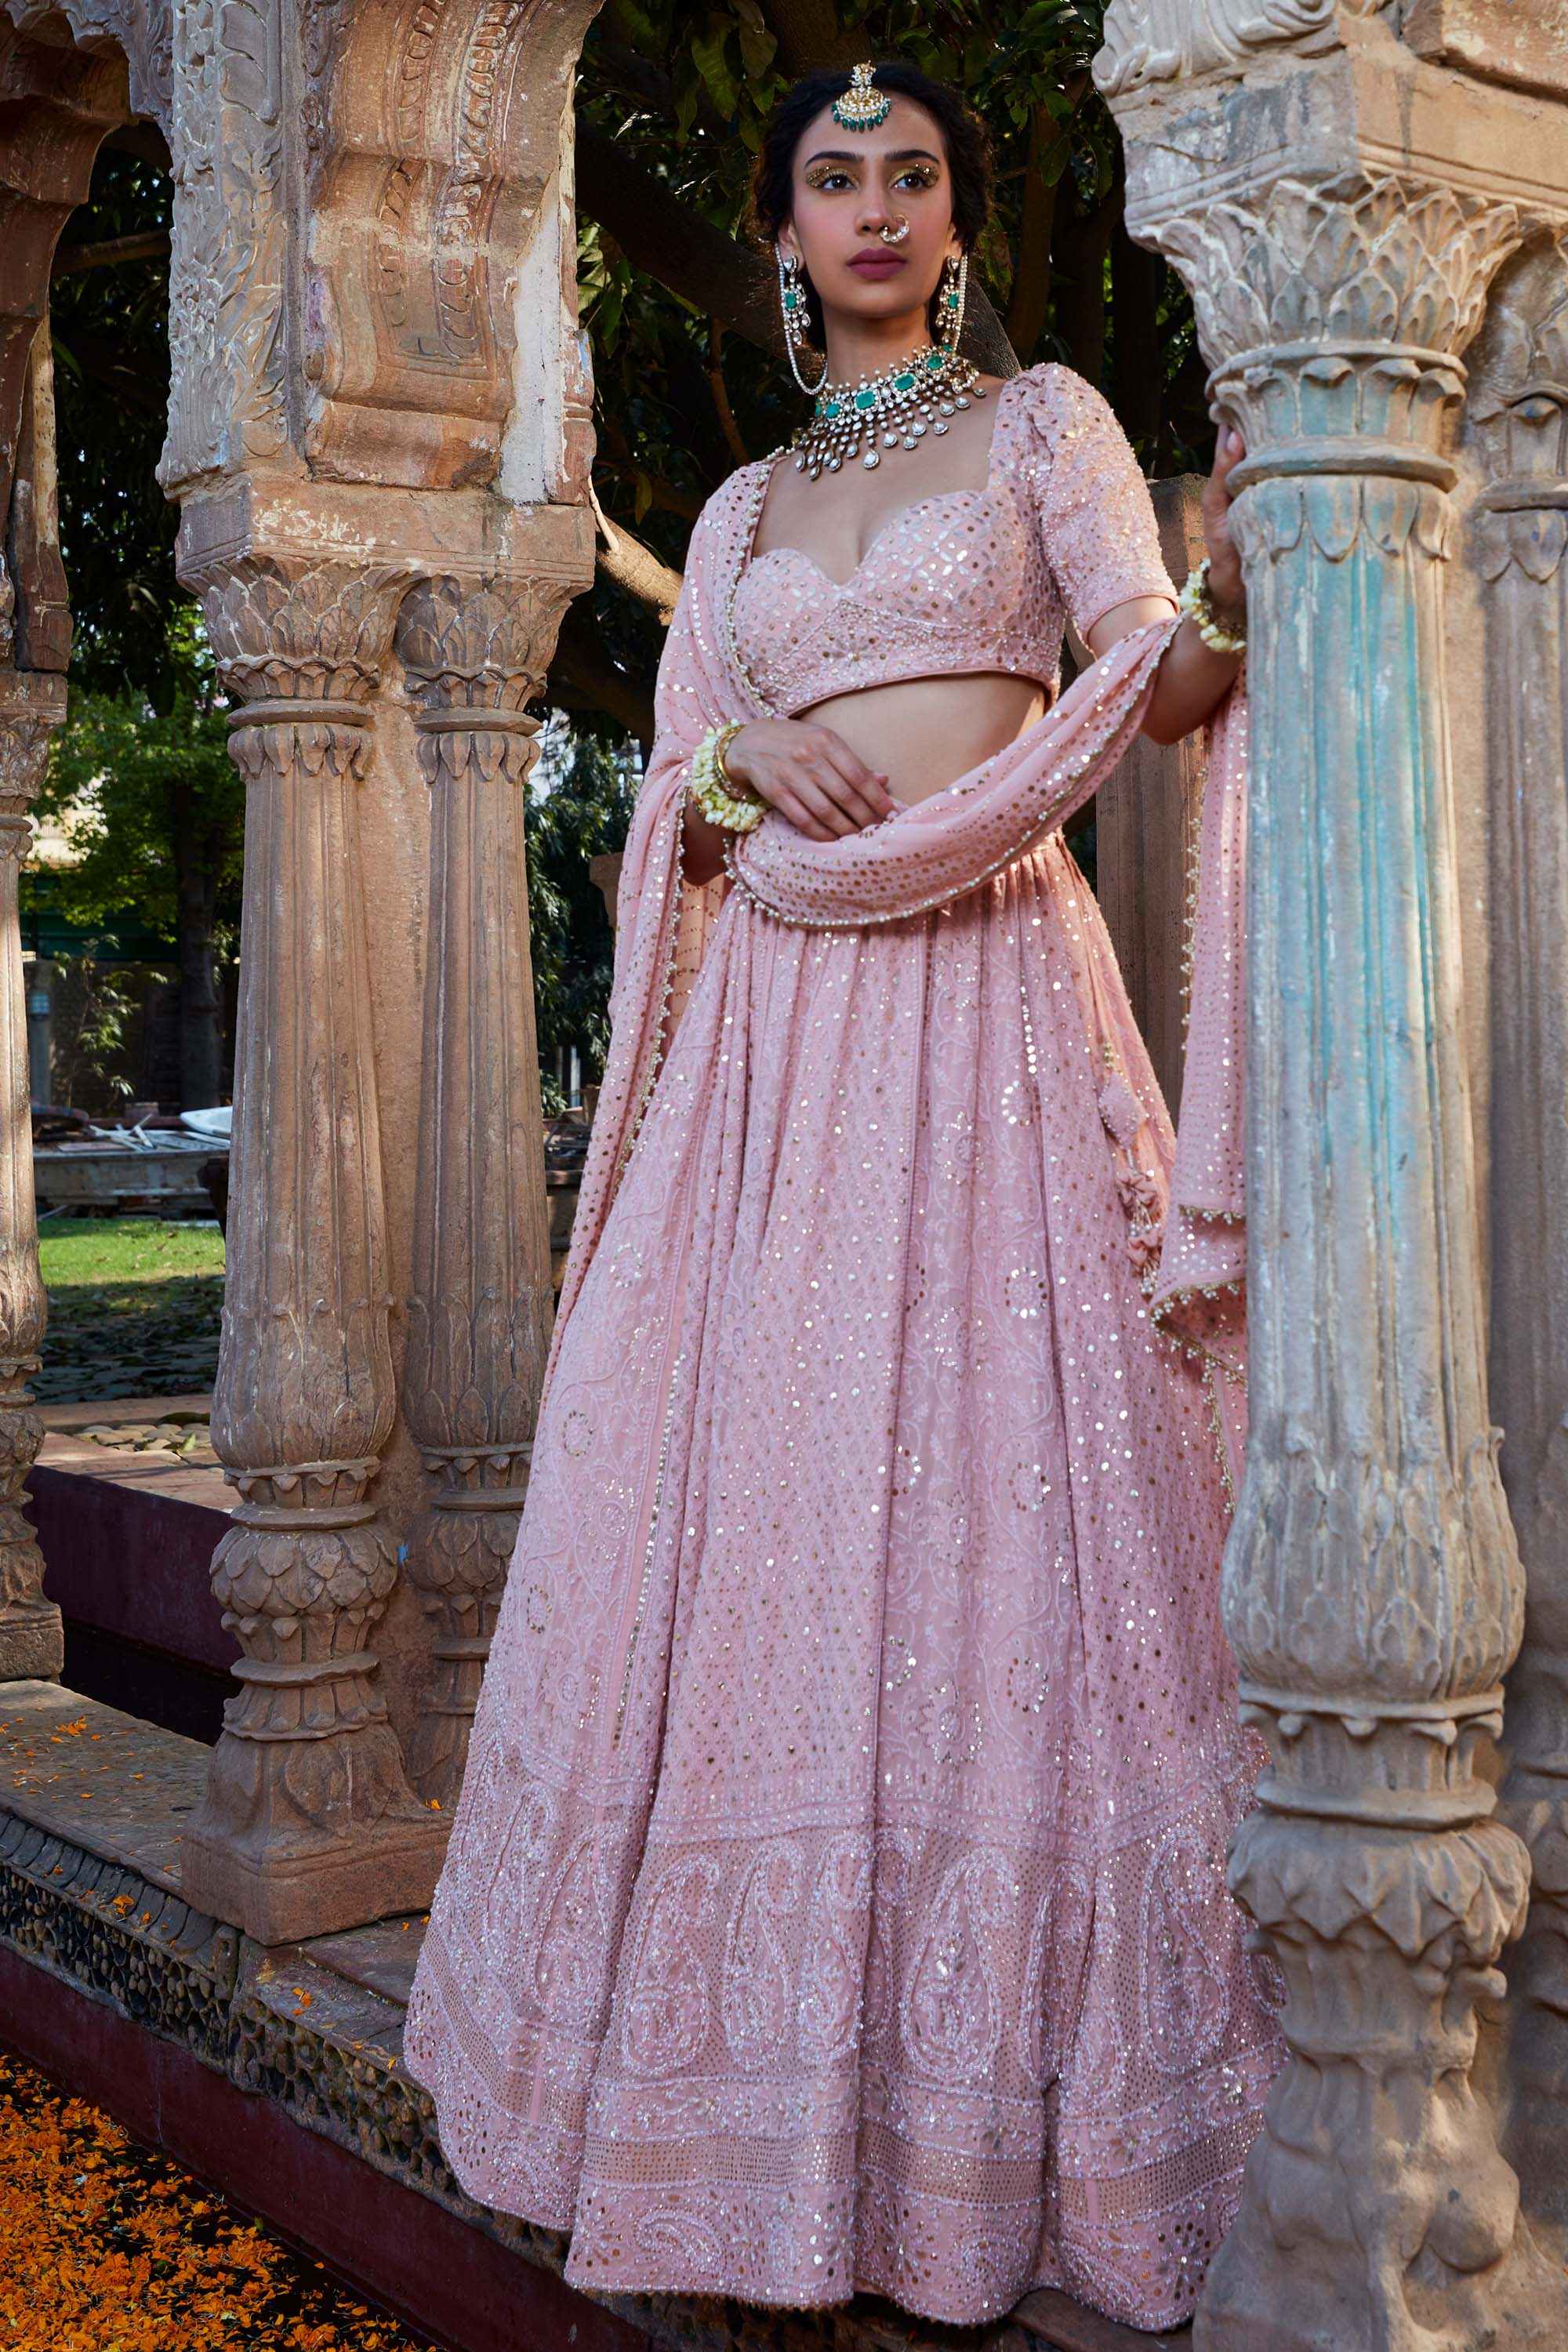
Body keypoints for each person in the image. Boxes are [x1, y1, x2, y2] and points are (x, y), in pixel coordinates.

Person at [405, 59, 1279, 2335]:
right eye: (830, 180)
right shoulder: (743, 508)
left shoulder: (1045, 423)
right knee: (775, 1525)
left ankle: (995, 2131)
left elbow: (1157, 688)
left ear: (956, 219)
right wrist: (717, 765)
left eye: (909, 176)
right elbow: (675, 812)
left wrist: (1238, 571)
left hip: (987, 1025)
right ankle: (742, 2119)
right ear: (783, 235)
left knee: (1000, 1525)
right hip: (781, 1063)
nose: (872, 208)